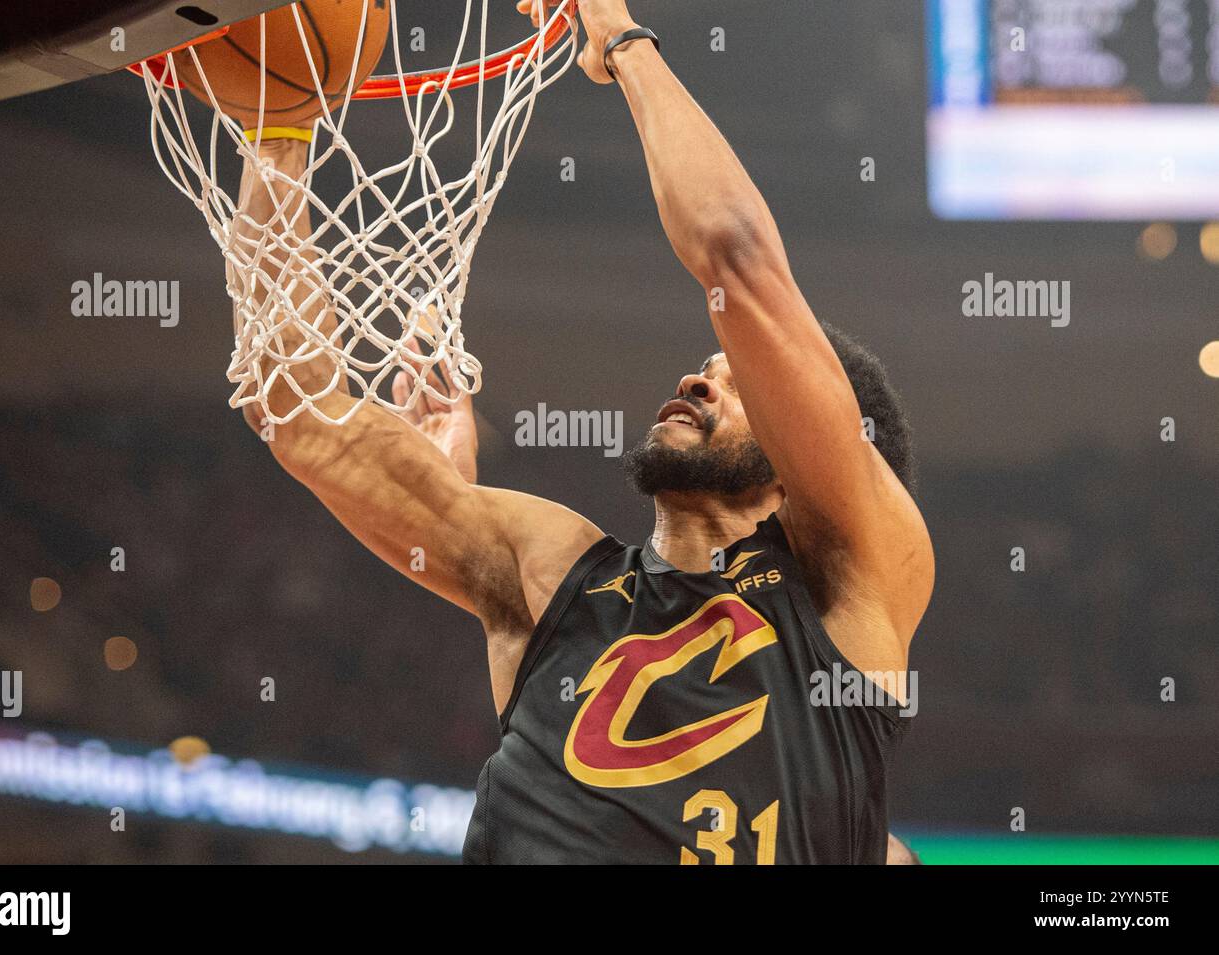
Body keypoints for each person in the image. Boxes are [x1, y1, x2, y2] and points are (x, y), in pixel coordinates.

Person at [231, 0, 934, 863]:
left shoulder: (853, 586)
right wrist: (278, 130)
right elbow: (302, 414)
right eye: (703, 364)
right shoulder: (554, 569)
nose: (694, 378)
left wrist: (620, 39)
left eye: (733, 373)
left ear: (812, 449)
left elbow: (734, 250)